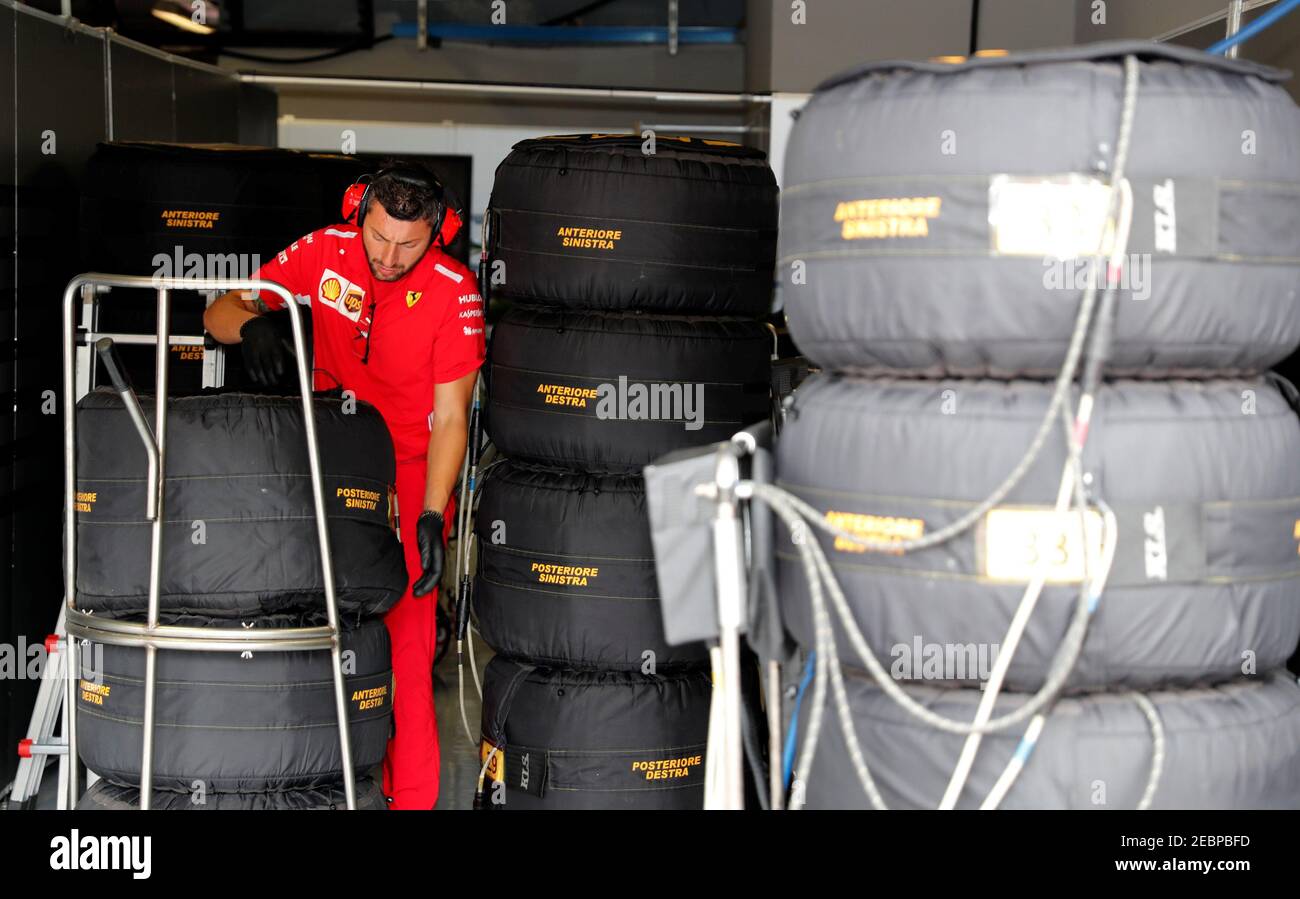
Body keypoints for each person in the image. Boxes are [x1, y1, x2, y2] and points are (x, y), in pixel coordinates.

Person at [203, 162, 486, 809]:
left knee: (408, 660)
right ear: (360, 212)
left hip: (410, 475)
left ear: (437, 231)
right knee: (309, 642)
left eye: (407, 243)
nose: (388, 257)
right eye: (379, 237)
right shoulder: (325, 249)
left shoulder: (455, 289)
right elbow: (216, 310)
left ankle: (409, 800)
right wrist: (252, 322)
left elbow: (450, 419)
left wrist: (432, 516)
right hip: (326, 465)